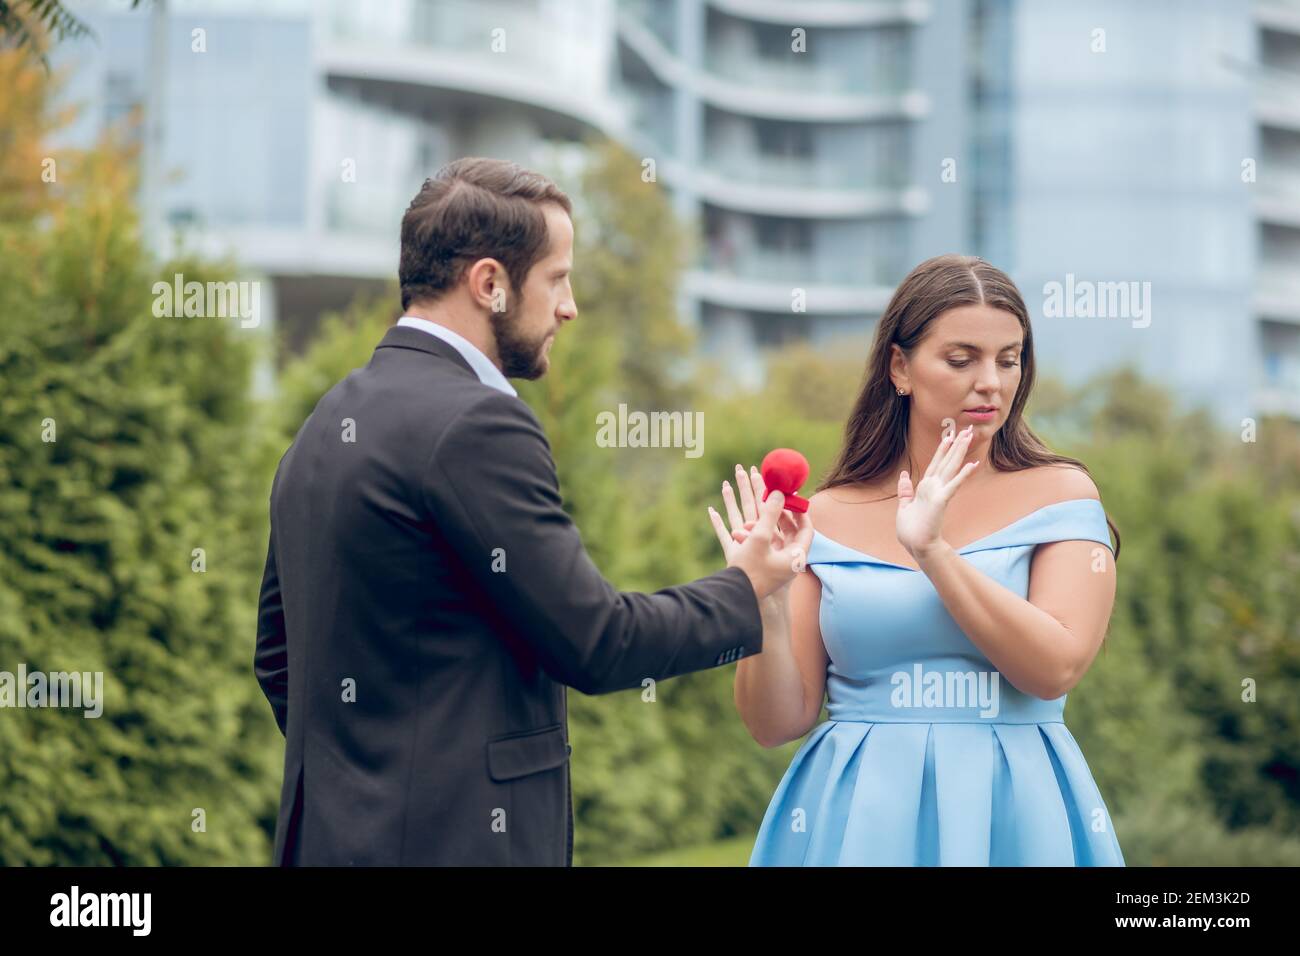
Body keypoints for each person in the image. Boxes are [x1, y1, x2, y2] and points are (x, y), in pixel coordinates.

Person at [253, 157, 810, 866]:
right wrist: (747, 586)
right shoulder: (480, 425)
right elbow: (599, 642)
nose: (570, 307)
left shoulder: (327, 420)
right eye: (558, 279)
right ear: (489, 283)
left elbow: (277, 660)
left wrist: (368, 786)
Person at [711, 254, 1126, 865]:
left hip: (1013, 812)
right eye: (962, 360)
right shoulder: (824, 516)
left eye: (1008, 360)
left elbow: (1053, 669)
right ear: (900, 367)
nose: (991, 381)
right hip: (855, 824)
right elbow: (775, 723)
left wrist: (932, 551)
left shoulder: (1063, 495)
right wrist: (765, 598)